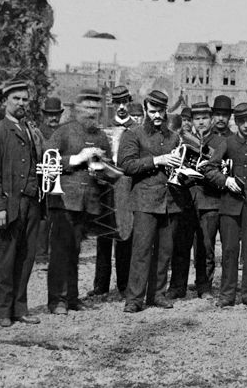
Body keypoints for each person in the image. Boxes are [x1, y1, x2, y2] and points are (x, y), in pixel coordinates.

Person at [0, 79, 44, 327]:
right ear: (5, 102)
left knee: (26, 258)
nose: (21, 103)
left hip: (31, 203)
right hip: (8, 205)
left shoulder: (31, 131)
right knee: (5, 259)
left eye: (24, 99)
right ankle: (3, 311)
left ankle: (20, 307)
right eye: (16, 99)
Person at [118, 90, 187, 313]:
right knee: (141, 251)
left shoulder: (174, 137)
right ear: (146, 111)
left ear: (166, 111)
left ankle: (157, 294)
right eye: (152, 111)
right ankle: (134, 299)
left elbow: (176, 167)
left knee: (164, 252)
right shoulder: (133, 134)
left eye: (160, 111)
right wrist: (157, 160)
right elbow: (126, 166)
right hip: (145, 201)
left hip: (169, 201)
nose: (157, 116)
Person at [45, 89, 112, 315]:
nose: (91, 112)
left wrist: (101, 170)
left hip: (88, 202)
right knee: (60, 252)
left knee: (75, 251)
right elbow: (48, 159)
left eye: (95, 108)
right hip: (64, 200)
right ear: (77, 108)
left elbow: (108, 172)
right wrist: (77, 158)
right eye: (87, 107)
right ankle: (57, 300)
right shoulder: (64, 132)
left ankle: (71, 298)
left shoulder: (102, 137)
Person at [205, 103, 247, 307]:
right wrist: (225, 181)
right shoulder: (227, 143)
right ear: (236, 122)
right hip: (229, 206)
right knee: (229, 251)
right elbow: (209, 168)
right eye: (241, 121)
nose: (246, 125)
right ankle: (227, 294)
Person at [167, 100, 225, 299]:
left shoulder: (220, 142)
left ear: (211, 120)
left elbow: (221, 170)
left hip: (209, 200)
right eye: (197, 119)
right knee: (181, 244)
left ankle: (204, 286)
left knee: (206, 247)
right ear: (191, 121)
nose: (201, 122)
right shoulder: (181, 139)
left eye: (204, 118)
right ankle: (177, 286)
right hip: (185, 198)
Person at [89, 85, 134, 298]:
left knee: (125, 234)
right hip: (106, 187)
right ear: (112, 105)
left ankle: (124, 285)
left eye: (125, 102)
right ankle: (101, 285)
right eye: (118, 103)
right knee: (103, 235)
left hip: (126, 185)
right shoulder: (103, 129)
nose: (122, 107)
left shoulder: (136, 129)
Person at [34, 96, 64, 265]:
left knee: (59, 217)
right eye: (50, 114)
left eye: (56, 114)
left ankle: (56, 253)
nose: (53, 118)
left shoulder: (63, 132)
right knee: (43, 218)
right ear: (44, 115)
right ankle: (41, 255)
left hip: (60, 179)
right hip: (42, 180)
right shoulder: (38, 133)